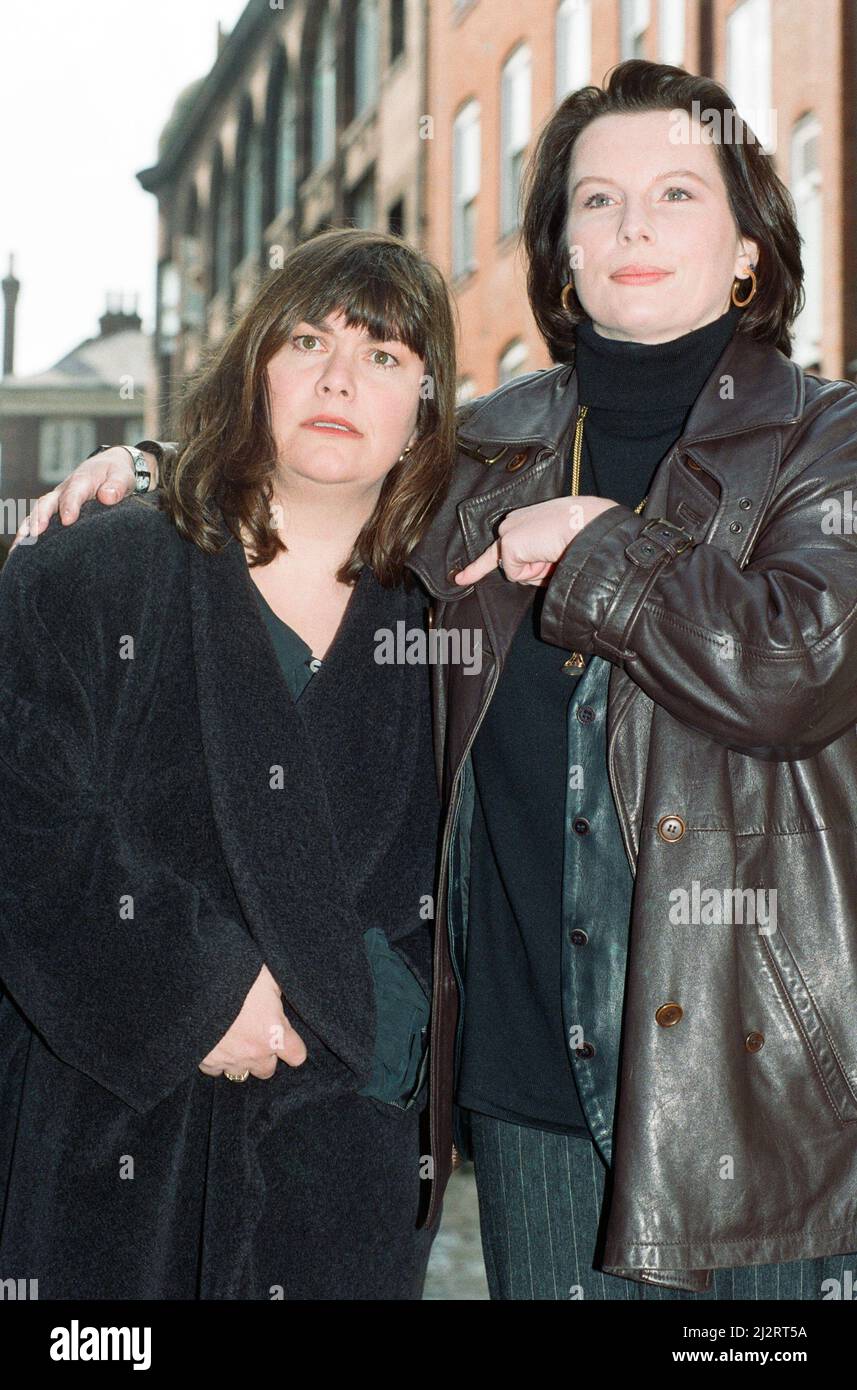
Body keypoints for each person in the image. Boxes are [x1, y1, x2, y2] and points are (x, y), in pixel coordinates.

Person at [23, 59, 857, 1302]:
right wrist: (152, 473)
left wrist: (599, 544)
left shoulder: (824, 441)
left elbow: (796, 667)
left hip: (758, 1109)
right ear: (559, 250)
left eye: (676, 194)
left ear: (747, 249)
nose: (630, 224)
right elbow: (328, 464)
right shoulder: (492, 449)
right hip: (529, 1101)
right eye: (595, 200)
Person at [0, 228, 458, 1299]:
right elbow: (23, 815)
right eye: (307, 340)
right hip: (108, 1146)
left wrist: (379, 1029)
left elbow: (475, 872)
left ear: (425, 411)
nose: (340, 377)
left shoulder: (446, 623)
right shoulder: (104, 563)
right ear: (254, 366)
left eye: (384, 356)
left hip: (336, 1170)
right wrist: (191, 988)